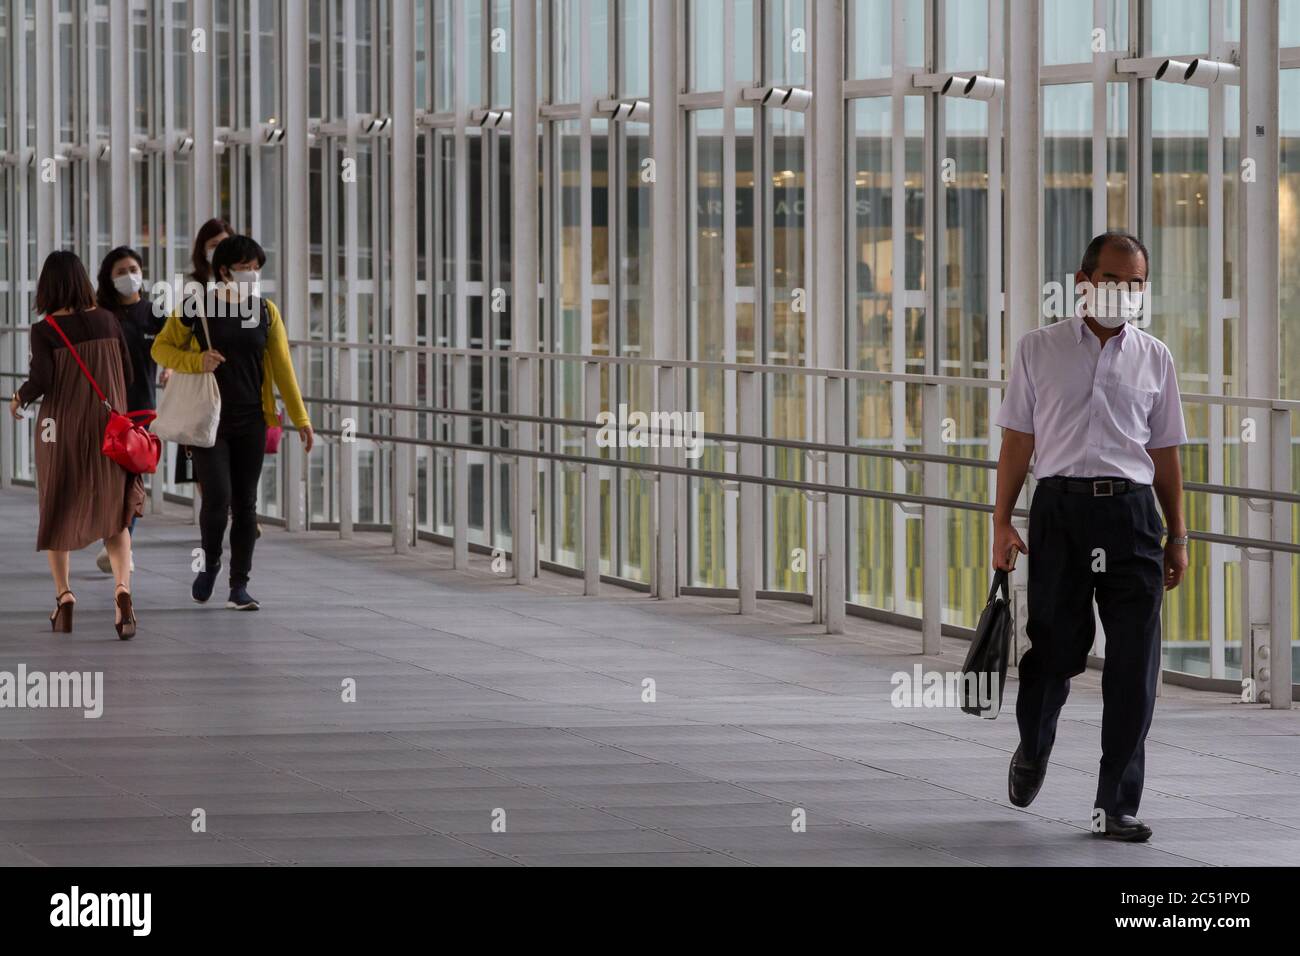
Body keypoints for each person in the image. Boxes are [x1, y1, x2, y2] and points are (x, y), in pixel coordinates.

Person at [992, 231, 1188, 843]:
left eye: (1135, 284)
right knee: (1054, 649)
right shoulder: (1038, 349)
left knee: (1135, 665)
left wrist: (1178, 534)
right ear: (1083, 282)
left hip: (1131, 519)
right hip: (1060, 514)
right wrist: (1001, 521)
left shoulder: (1155, 357)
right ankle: (1034, 747)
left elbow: (1164, 451)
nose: (1124, 293)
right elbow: (1018, 440)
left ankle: (1116, 804)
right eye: (1112, 280)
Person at [151, 235, 314, 611]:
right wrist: (197, 361)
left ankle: (239, 585)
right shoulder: (197, 306)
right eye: (245, 268)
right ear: (224, 270)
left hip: (252, 420)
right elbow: (160, 347)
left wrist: (301, 419)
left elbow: (284, 369)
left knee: (246, 504)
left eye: (256, 268)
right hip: (209, 421)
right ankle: (209, 564)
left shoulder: (266, 312)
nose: (252, 274)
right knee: (218, 498)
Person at [8, 251, 144, 639]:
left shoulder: (46, 329)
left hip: (61, 430)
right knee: (115, 514)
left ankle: (64, 597)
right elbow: (129, 373)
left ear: (47, 286)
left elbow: (42, 380)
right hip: (109, 433)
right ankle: (122, 590)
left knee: (57, 508)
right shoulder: (109, 320)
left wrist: (19, 398)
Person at [92, 246, 165, 573]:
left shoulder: (155, 313)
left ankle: (121, 544)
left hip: (141, 410)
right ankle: (115, 540)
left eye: (133, 268)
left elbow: (174, 347)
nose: (128, 276)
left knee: (131, 478)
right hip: (105, 409)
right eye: (120, 271)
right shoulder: (101, 316)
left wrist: (172, 368)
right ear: (109, 278)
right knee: (108, 480)